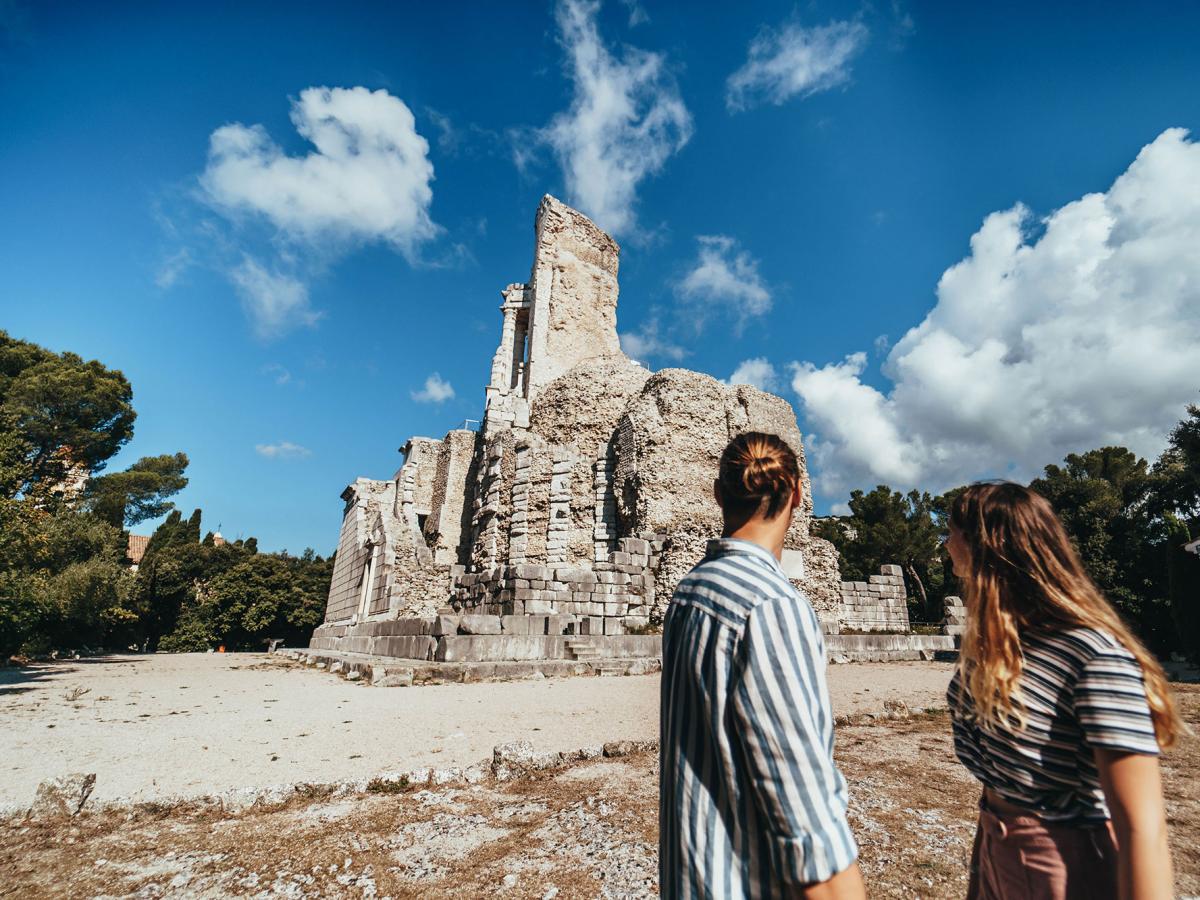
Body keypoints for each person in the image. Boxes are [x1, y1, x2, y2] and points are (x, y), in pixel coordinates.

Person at [944, 482, 1183, 900]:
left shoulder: (1092, 655)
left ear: (986, 543)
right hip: (997, 844)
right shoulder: (998, 646)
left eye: (952, 532)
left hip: (1068, 862)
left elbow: (1142, 827)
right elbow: (996, 778)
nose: (945, 544)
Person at [660, 432, 864, 900]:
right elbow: (806, 817)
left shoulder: (690, 591)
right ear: (797, 493)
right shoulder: (770, 606)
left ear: (718, 494)